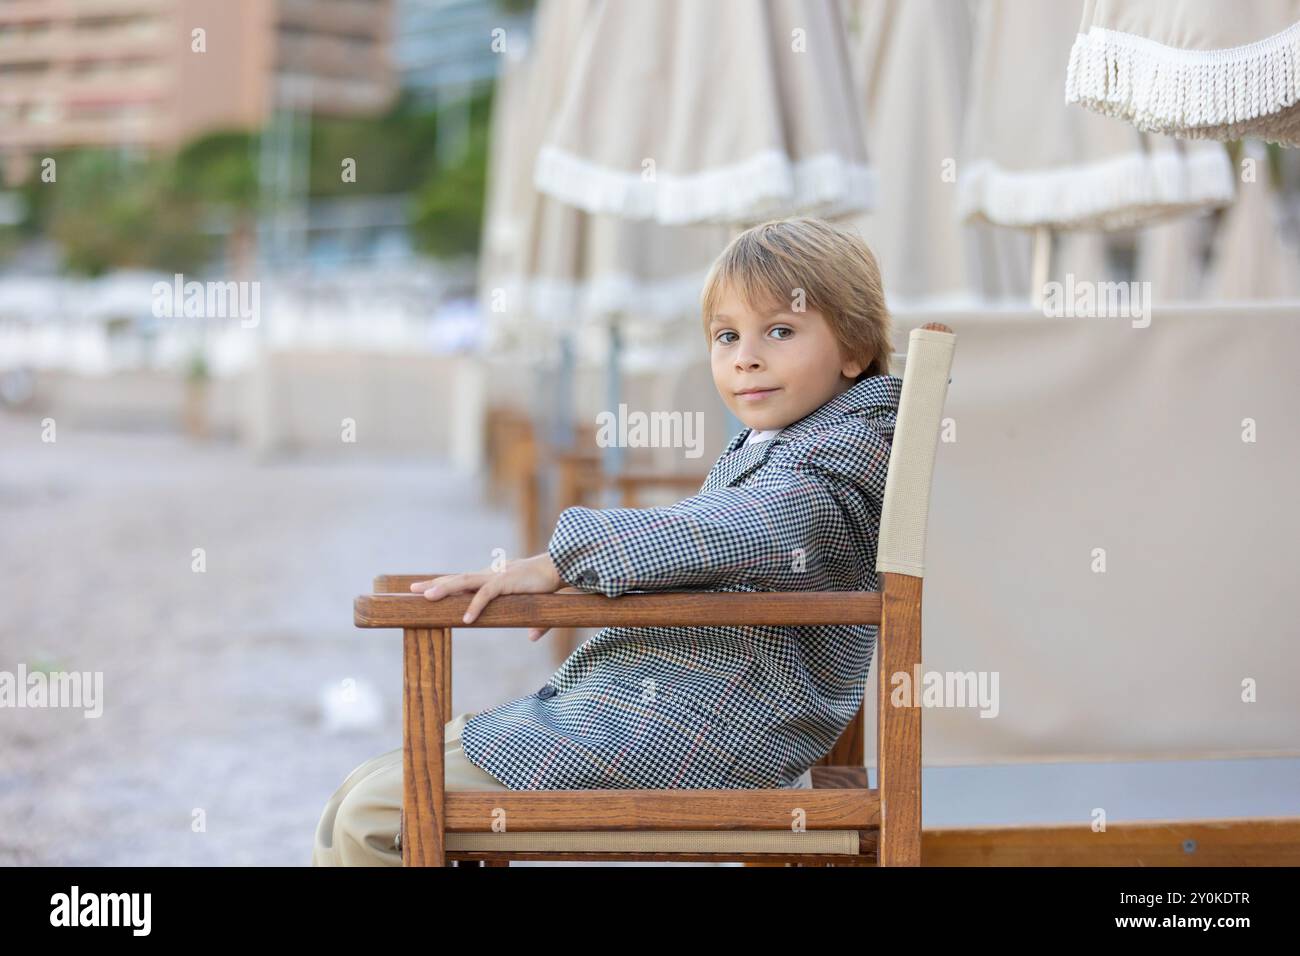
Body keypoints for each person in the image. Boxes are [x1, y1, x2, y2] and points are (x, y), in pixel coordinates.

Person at [313, 216, 902, 865]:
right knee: (353, 796)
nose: (746, 357)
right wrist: (573, 571)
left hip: (701, 727)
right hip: (661, 704)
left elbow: (738, 529)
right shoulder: (798, 438)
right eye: (726, 335)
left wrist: (565, 560)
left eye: (780, 331)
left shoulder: (844, 452)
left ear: (853, 348)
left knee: (375, 818)